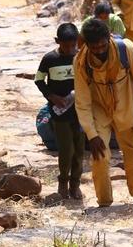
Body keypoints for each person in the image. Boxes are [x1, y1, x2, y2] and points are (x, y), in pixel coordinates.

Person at [73, 18, 133, 207]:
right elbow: (82, 101)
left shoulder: (126, 49)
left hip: (126, 106)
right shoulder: (81, 62)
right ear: (86, 45)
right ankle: (104, 202)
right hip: (100, 110)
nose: (99, 50)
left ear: (109, 38)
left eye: (102, 45)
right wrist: (91, 134)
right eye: (94, 47)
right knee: (99, 157)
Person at [36, 23, 85, 200]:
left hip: (80, 111)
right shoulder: (49, 59)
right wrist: (52, 96)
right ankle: (63, 182)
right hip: (59, 112)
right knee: (66, 149)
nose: (71, 49)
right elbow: (39, 80)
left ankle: (75, 184)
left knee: (79, 149)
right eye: (66, 46)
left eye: (74, 45)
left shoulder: (81, 57)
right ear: (57, 42)